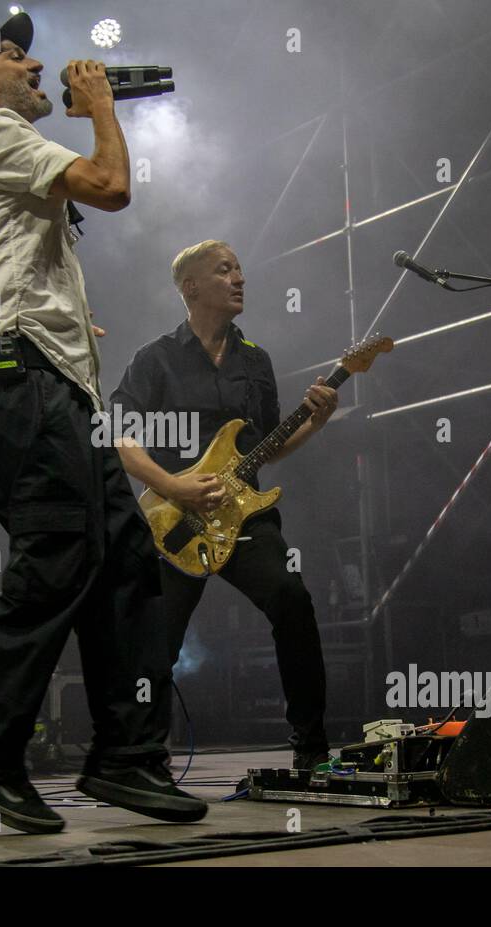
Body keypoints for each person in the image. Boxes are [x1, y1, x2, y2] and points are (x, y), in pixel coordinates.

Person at [0, 11, 205, 833]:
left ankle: (126, 757)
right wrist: (103, 109)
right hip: (24, 381)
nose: (39, 65)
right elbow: (113, 188)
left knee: (123, 562)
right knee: (58, 559)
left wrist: (36, 299)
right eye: (15, 56)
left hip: (45, 379)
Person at [109, 240, 337, 770]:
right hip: (175, 520)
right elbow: (119, 437)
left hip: (246, 518)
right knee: (156, 642)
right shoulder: (155, 359)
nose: (239, 278)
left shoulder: (255, 361)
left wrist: (316, 420)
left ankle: (311, 747)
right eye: (224, 270)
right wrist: (173, 486)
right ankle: (143, 759)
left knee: (292, 600)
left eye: (239, 268)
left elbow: (268, 447)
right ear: (189, 287)